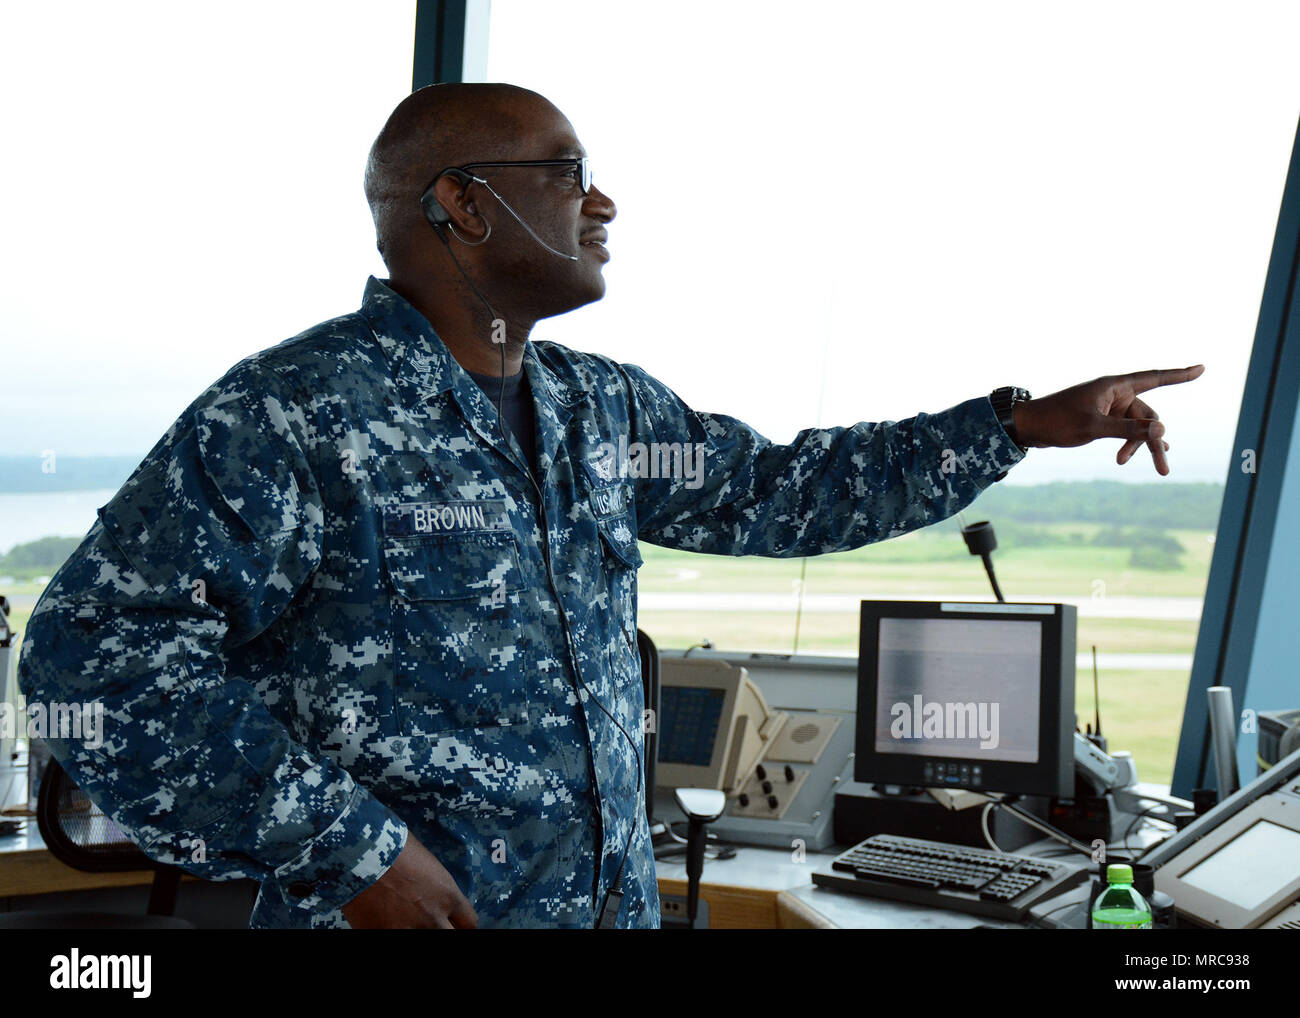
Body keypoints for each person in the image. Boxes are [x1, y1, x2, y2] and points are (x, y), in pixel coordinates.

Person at [17, 83, 1204, 929]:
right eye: (571, 173)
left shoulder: (602, 414)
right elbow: (92, 662)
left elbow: (784, 492)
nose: (606, 204)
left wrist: (1012, 426)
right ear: (466, 206)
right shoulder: (295, 415)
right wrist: (353, 850)